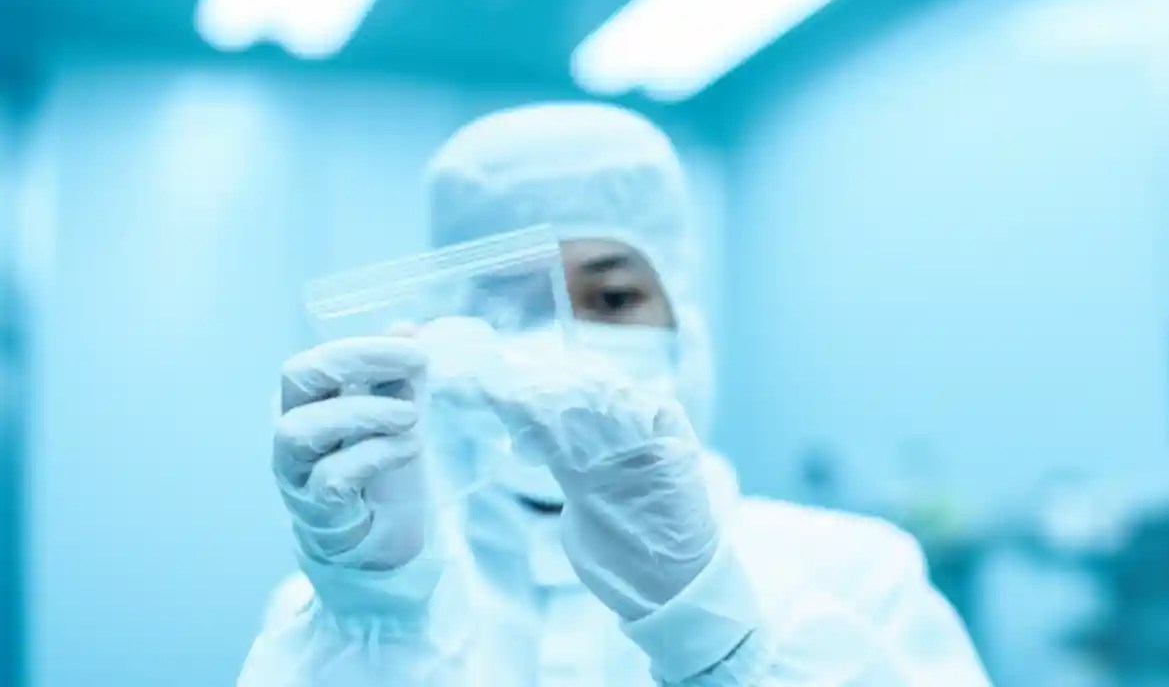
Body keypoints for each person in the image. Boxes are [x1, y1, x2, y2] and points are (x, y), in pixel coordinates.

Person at [239, 103, 990, 685]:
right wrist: (374, 617)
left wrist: (720, 636)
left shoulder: (857, 572)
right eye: (514, 305)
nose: (562, 342)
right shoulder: (336, 613)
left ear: (683, 323)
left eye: (614, 298)